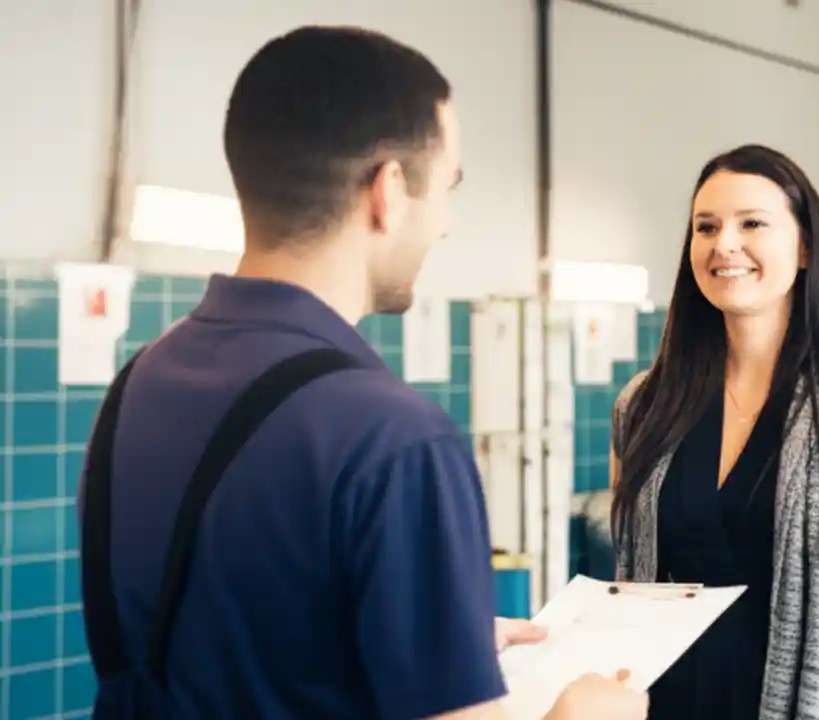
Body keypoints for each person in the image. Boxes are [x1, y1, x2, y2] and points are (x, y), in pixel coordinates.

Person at [77, 26, 647, 720]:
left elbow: (237, 644)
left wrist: (442, 646)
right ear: (389, 190)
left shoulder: (140, 383)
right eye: (448, 188)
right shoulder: (395, 438)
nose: (445, 225)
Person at [609, 144, 819, 719]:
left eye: (752, 223)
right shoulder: (644, 406)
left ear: (806, 246)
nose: (725, 245)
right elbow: (627, 589)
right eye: (706, 227)